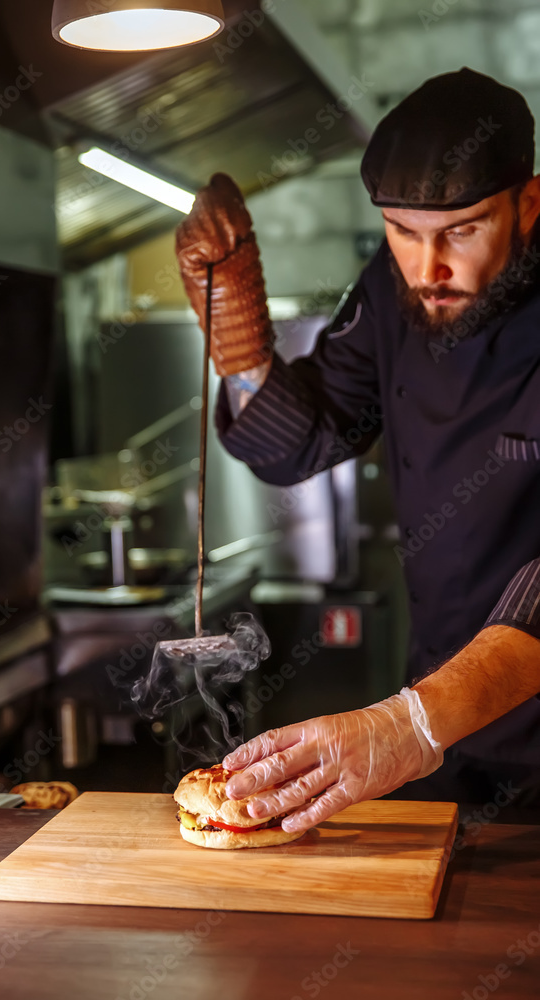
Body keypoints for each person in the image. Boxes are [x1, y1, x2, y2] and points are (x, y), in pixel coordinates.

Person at [175, 67, 540, 834]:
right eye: (402, 233)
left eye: (460, 231)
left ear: (528, 203)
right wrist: (236, 333)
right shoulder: (394, 290)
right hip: (447, 730)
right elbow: (301, 444)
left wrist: (410, 722)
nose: (426, 268)